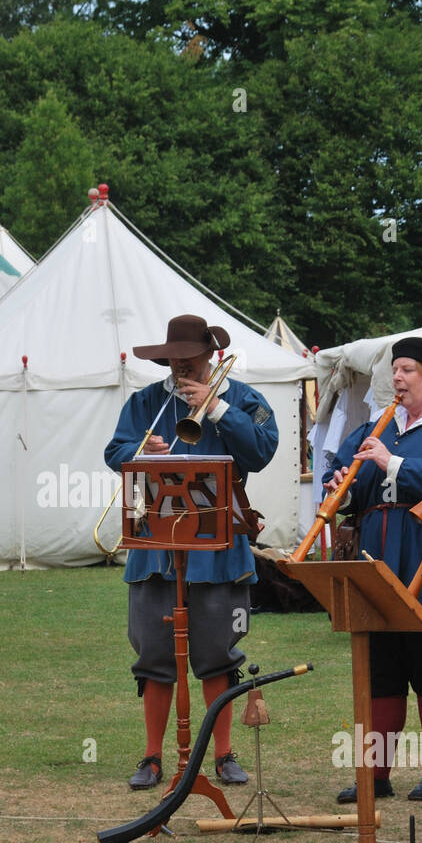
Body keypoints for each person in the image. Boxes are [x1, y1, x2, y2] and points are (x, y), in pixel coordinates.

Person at [104, 314, 278, 789]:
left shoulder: (244, 399)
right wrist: (142, 452)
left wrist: (218, 409)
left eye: (190, 361)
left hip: (218, 549)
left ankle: (223, 756)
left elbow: (263, 450)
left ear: (210, 357)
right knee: (154, 654)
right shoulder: (145, 402)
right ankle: (151, 757)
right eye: (174, 361)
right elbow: (113, 451)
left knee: (218, 652)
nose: (182, 369)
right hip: (156, 548)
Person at [323, 337, 422, 802]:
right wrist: (344, 489)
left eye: (408, 370)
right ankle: (376, 775)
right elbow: (355, 483)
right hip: (380, 558)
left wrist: (390, 461)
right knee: (381, 670)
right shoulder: (381, 424)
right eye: (395, 370)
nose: (397, 379)